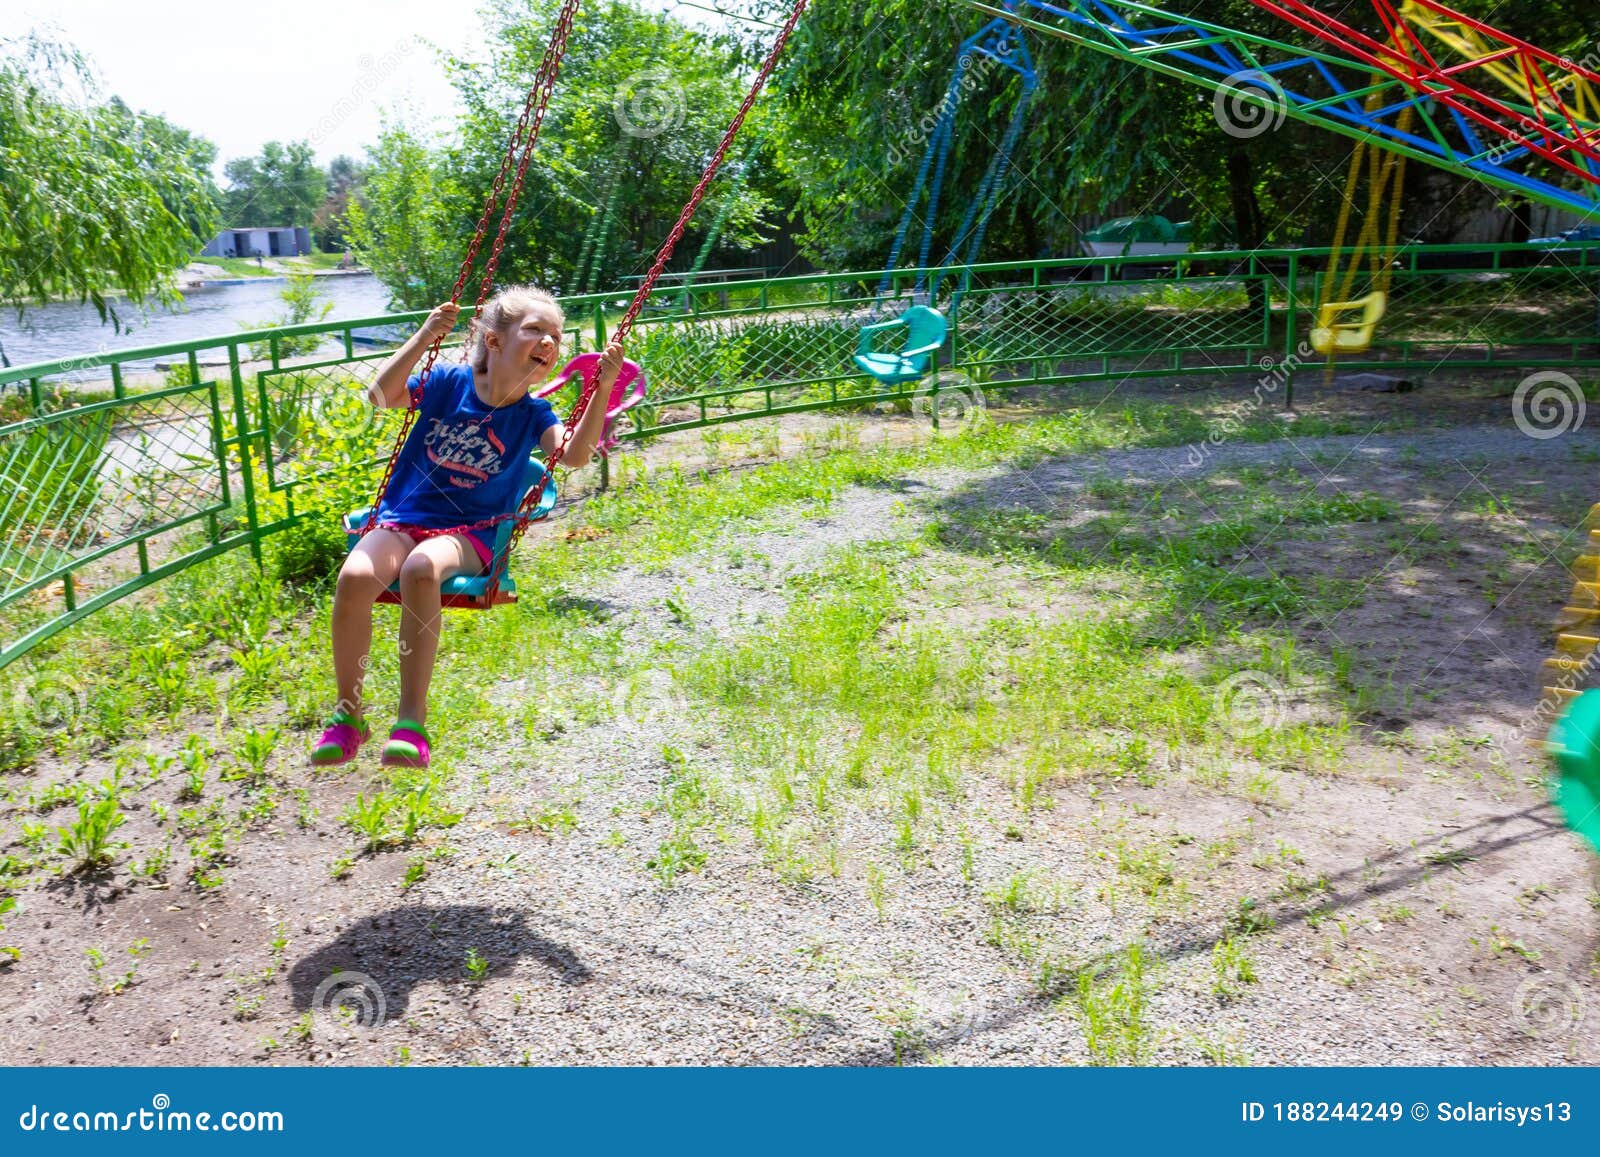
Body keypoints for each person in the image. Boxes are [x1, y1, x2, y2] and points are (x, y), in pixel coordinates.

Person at [311, 284, 622, 768]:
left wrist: (601, 390)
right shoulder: (448, 383)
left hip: (471, 534)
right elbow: (379, 395)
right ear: (494, 340)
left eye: (556, 336)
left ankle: (410, 721)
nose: (548, 342)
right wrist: (424, 335)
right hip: (403, 517)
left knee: (420, 569)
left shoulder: (533, 413)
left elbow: (576, 456)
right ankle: (348, 715)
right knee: (353, 578)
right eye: (535, 330)